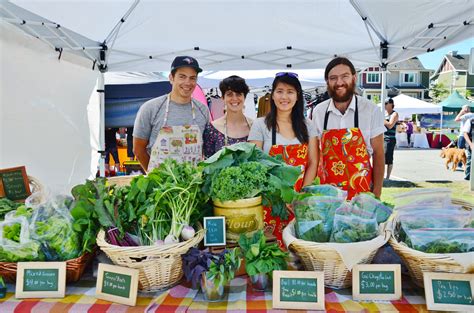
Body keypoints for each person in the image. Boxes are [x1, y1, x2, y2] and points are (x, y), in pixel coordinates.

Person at [248, 72, 318, 246]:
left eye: (290, 91)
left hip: (298, 202)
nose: (284, 97)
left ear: (298, 96)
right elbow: (254, 165)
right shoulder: (260, 125)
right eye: (279, 91)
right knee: (270, 252)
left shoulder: (308, 125)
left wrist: (301, 196)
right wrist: (279, 197)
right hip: (269, 202)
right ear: (272, 95)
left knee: (297, 251)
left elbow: (313, 162)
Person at [310, 57, 385, 199]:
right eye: (333, 78)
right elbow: (314, 156)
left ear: (354, 78)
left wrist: (376, 193)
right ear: (327, 82)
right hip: (328, 195)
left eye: (345, 76)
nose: (339, 83)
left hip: (362, 193)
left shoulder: (371, 110)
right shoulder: (319, 112)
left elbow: (379, 154)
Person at [133, 56, 210, 171]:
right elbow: (138, 150)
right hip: (162, 186)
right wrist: (153, 176)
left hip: (193, 185)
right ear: (171, 78)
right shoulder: (151, 108)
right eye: (182, 77)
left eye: (192, 78)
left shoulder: (203, 110)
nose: (187, 82)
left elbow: (205, 149)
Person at [203, 76, 252, 158]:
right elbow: (208, 163)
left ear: (245, 97)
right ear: (223, 98)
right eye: (229, 94)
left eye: (238, 94)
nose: (234, 98)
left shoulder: (255, 127)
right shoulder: (212, 128)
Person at [384, 98, 399, 180]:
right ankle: (381, 176)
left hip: (390, 138)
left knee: (388, 158)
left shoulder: (395, 114)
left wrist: (382, 120)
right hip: (382, 137)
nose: (384, 105)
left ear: (391, 104)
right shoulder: (384, 114)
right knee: (381, 157)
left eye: (386, 103)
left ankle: (388, 177)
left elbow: (390, 125)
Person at [462, 115, 474, 180]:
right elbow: (465, 133)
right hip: (471, 143)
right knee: (470, 160)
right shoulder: (470, 121)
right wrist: (471, 144)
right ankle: (468, 177)